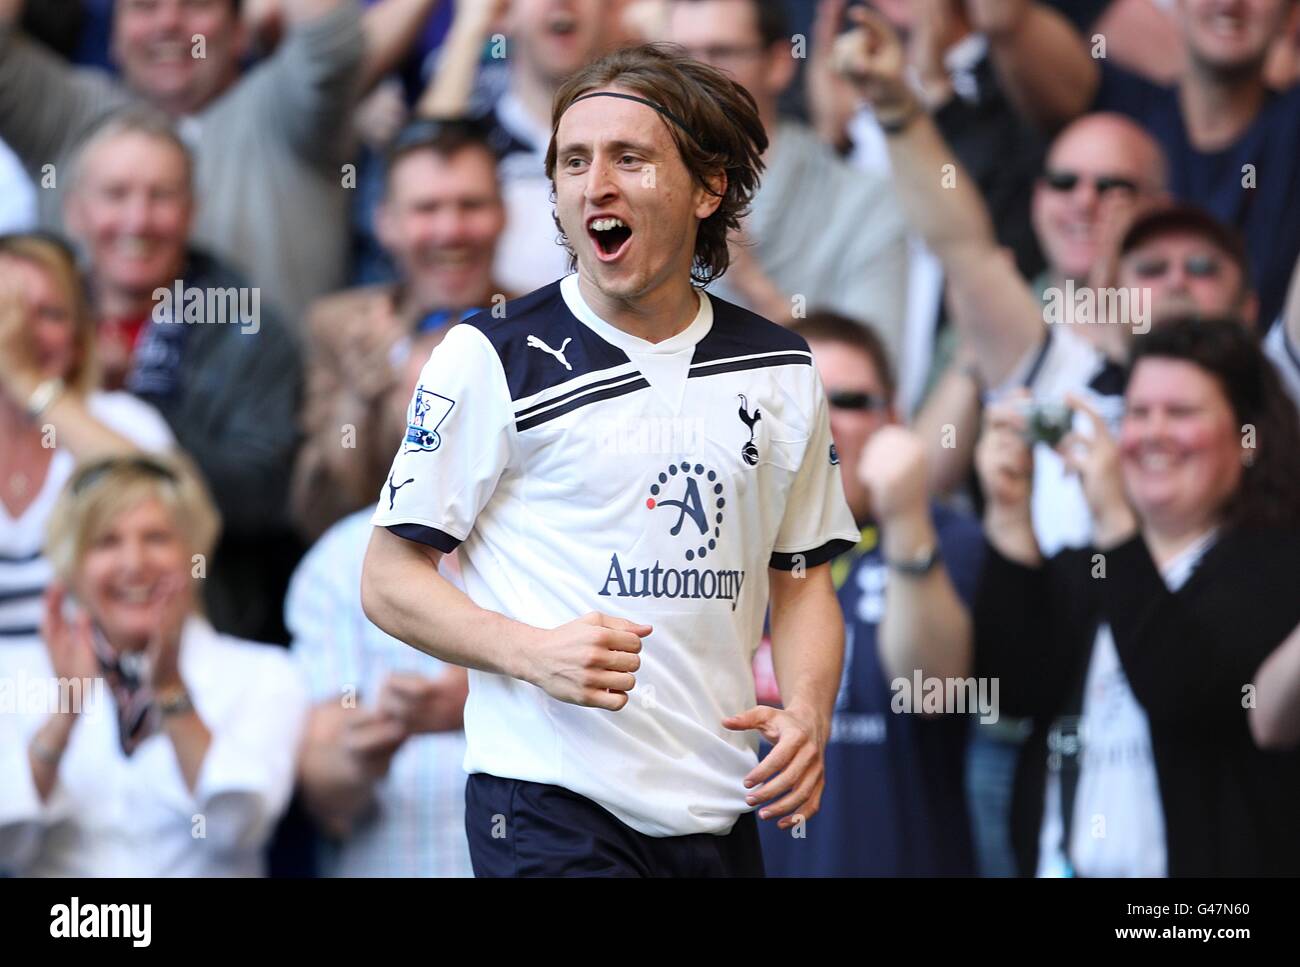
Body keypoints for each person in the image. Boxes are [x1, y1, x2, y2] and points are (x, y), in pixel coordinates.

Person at [362, 43, 859, 877]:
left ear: (708, 187)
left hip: (718, 807)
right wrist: (529, 651)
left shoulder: (781, 368)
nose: (596, 185)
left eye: (631, 158)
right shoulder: (488, 354)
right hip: (547, 808)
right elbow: (387, 577)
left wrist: (809, 710)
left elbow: (804, 578)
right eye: (573, 161)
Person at [972, 316, 1300, 876]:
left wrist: (1114, 520)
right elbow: (1010, 691)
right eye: (1140, 412)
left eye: (1181, 413)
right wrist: (1008, 517)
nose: (1152, 433)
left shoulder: (1276, 564)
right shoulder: (1094, 563)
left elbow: (1181, 693)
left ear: (1249, 437)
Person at [0, 454, 307, 876]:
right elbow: (9, 846)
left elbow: (237, 826)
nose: (134, 563)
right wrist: (64, 714)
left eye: (157, 538)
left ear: (193, 554)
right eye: (107, 542)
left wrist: (170, 691)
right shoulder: (13, 674)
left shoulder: (264, 672)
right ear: (72, 565)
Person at [756, 310, 983, 877]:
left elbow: (933, 691)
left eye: (850, 401)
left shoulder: (949, 539)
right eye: (798, 400)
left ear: (893, 419)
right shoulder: (716, 548)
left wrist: (905, 519)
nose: (825, 422)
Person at [63, 111, 303, 644]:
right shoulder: (34, 317)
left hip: (205, 626)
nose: (137, 219)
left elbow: (260, 497)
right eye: (115, 194)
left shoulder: (247, 324)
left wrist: (130, 405)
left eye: (160, 196)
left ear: (191, 211)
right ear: (74, 210)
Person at [0, 0, 369, 321]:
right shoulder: (66, 116)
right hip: (70, 397)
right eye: (144, 6)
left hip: (268, 395)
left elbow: (331, 45)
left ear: (240, 31)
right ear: (113, 35)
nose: (168, 23)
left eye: (197, 4)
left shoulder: (287, 113)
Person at [971, 0, 1300, 325]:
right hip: (1102, 358)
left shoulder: (1290, 128)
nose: (1229, 3)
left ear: (1291, 14)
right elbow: (1002, 21)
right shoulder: (1118, 105)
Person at [291, 327, 472, 877]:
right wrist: (360, 754)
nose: (444, 422)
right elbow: (323, 792)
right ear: (396, 415)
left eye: (469, 401)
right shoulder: (340, 560)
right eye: (426, 401)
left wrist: (471, 704)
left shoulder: (566, 542)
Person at [292, 118, 509, 540]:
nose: (451, 231)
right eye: (426, 209)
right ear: (385, 223)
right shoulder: (338, 326)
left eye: (471, 205)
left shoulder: (544, 327)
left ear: (503, 214)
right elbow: (317, 513)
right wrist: (359, 398)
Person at [664, 0, 910, 362]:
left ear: (778, 64)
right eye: (679, 59)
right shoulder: (634, 190)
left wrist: (752, 283)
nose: (695, 77)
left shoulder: (864, 203)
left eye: (722, 53)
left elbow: (866, 387)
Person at [0, 233, 173, 642]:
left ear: (80, 340)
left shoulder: (123, 421)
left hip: (102, 689)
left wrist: (25, 380)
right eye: (7, 313)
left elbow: (166, 505)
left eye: (50, 314)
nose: (22, 335)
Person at [423, 0, 622, 295]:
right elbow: (421, 178)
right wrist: (469, 30)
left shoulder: (646, 134)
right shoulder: (474, 134)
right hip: (493, 328)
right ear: (503, 12)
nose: (562, 3)